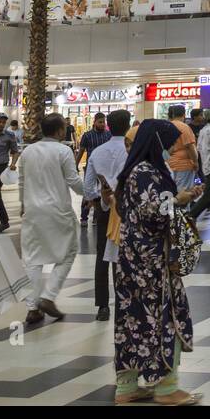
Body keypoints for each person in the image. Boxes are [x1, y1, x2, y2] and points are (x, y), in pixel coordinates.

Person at [112, 119, 201, 405]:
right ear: (157, 142)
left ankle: (126, 388)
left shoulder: (135, 170)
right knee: (162, 318)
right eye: (170, 141)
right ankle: (166, 388)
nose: (174, 147)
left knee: (131, 320)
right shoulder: (147, 172)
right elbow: (156, 213)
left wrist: (178, 199)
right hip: (153, 263)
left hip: (133, 260)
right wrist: (180, 199)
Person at [16, 113, 85, 326]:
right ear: (59, 131)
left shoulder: (28, 151)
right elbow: (73, 181)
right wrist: (90, 193)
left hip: (33, 211)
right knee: (68, 252)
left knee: (32, 260)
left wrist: (23, 204)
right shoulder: (63, 151)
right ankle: (48, 296)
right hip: (58, 210)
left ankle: (32, 308)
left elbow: (21, 181)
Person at [83, 109, 132, 321]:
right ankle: (124, 303)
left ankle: (103, 306)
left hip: (105, 209)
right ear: (128, 125)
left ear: (109, 126)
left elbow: (87, 187)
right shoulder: (131, 150)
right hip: (126, 209)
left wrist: (99, 202)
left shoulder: (98, 152)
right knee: (124, 256)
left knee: (102, 256)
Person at [75, 112, 112, 222]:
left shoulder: (108, 135)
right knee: (88, 191)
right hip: (91, 168)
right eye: (100, 122)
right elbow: (81, 151)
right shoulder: (87, 135)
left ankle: (97, 217)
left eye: (103, 122)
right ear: (94, 122)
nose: (102, 124)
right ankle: (84, 217)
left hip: (104, 169)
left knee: (103, 191)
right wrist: (75, 165)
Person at [166, 103, 199, 194]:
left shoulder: (167, 126)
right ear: (184, 115)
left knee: (172, 193)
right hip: (184, 166)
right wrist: (196, 162)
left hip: (169, 165)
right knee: (184, 193)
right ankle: (182, 209)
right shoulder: (184, 127)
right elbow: (190, 147)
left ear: (172, 114)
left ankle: (174, 208)